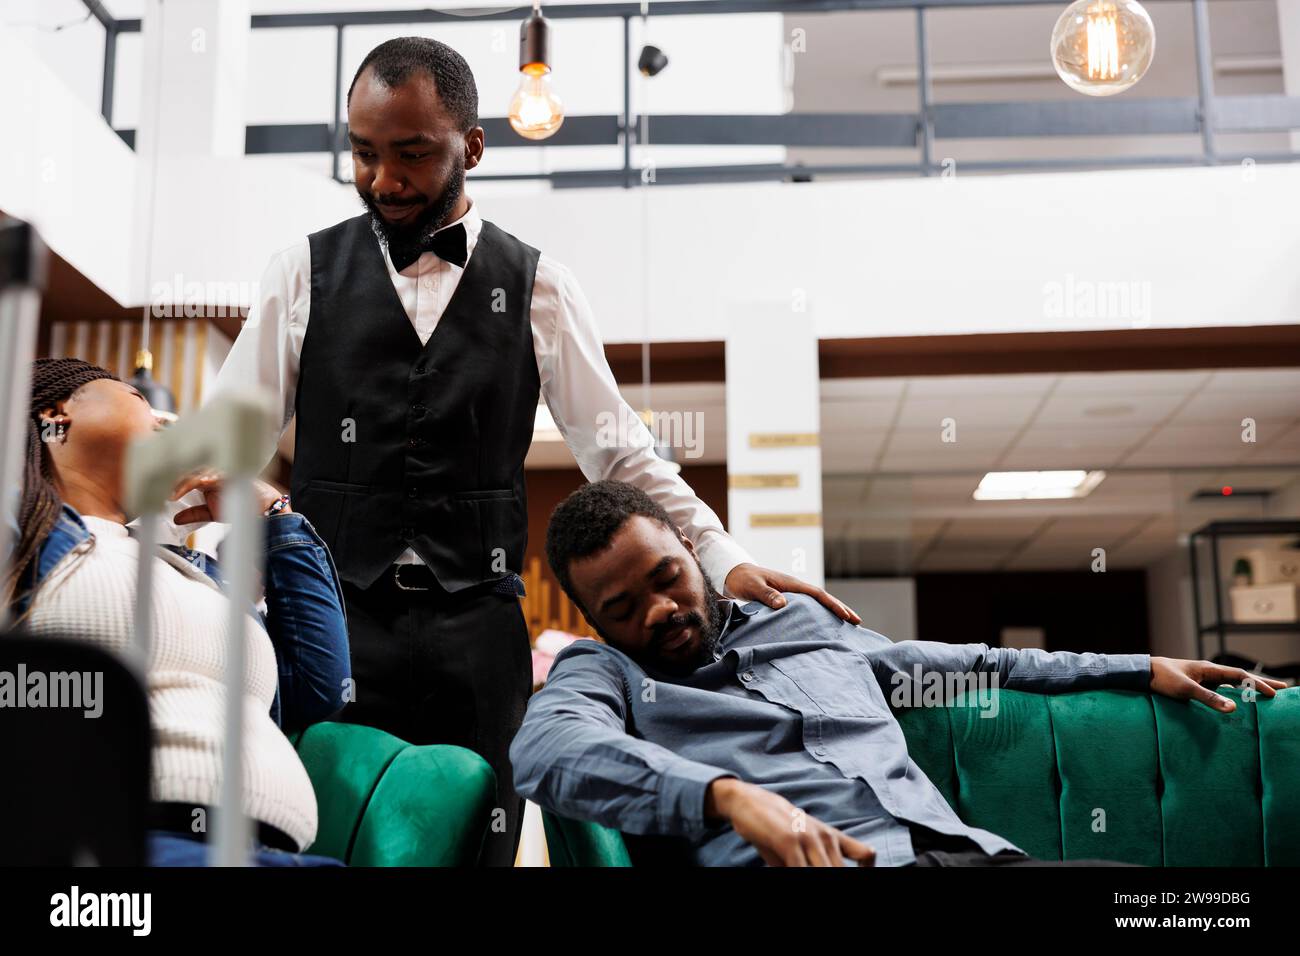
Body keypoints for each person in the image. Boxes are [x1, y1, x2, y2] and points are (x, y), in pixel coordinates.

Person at [210, 36, 859, 866]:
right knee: (331, 841)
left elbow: (620, 454)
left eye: (411, 155)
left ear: (472, 148)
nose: (383, 181)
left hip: (478, 634)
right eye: (363, 155)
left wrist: (719, 553)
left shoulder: (542, 286)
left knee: (479, 842)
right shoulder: (301, 270)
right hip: (333, 626)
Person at [511, 480, 1288, 867]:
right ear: (590, 619)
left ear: (692, 549)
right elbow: (544, 749)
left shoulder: (806, 626)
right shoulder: (604, 672)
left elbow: (981, 663)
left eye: (665, 577)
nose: (657, 611)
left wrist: (1139, 666)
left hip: (956, 856)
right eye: (622, 606)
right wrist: (727, 797)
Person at [5, 358, 351, 866]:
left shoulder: (196, 573)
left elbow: (320, 686)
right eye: (141, 402)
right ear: (58, 414)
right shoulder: (25, 534)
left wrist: (273, 515)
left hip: (271, 852)